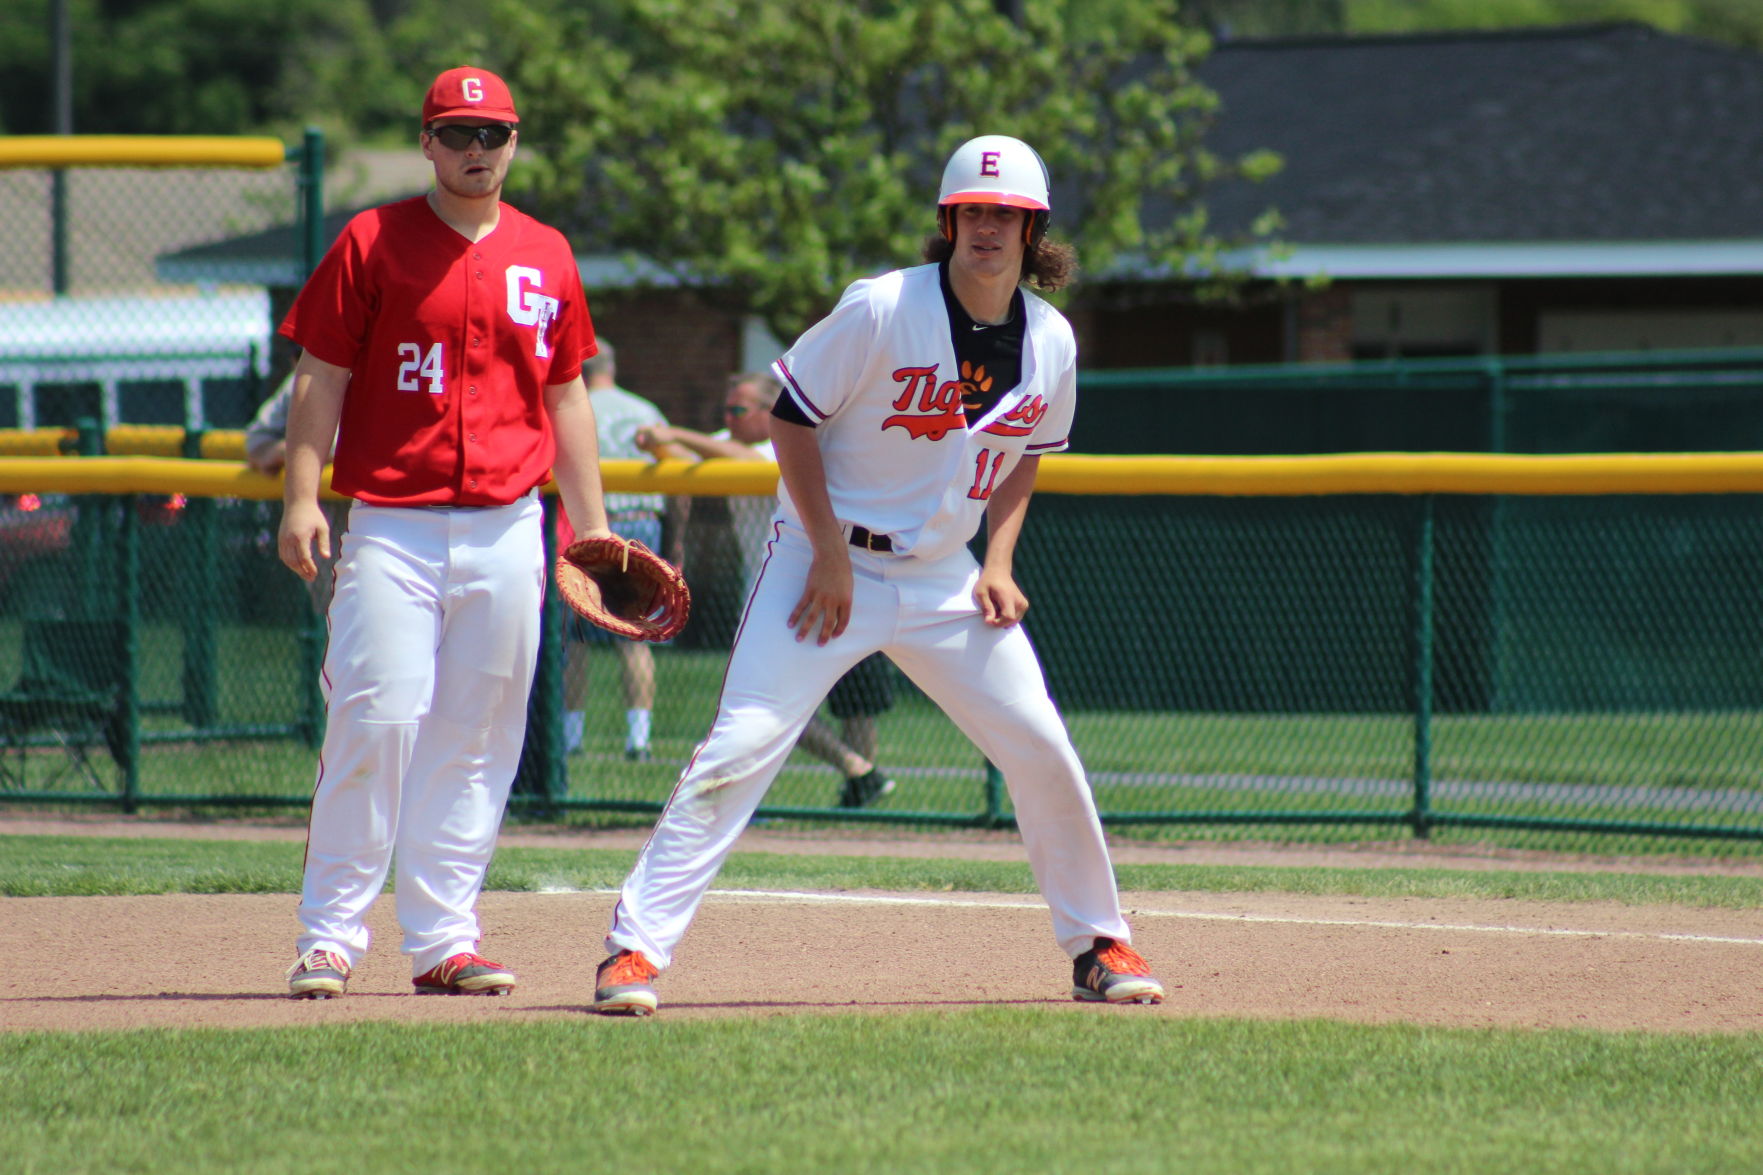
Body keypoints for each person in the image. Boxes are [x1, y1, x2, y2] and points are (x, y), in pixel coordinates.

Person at [591, 135, 1164, 1016]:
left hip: (943, 576)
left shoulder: (1050, 339)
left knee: (1039, 743)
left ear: (1031, 229)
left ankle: (1098, 942)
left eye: (1004, 214)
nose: (987, 227)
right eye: (972, 211)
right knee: (741, 744)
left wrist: (1000, 561)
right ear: (948, 221)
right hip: (821, 562)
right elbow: (789, 420)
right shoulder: (883, 306)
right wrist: (823, 551)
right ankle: (634, 951)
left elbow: (1024, 458)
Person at [275, 65, 613, 1000]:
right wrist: (302, 497)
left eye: (493, 134)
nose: (476, 150)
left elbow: (567, 393)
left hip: (510, 526)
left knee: (477, 737)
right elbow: (320, 374)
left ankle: (442, 940)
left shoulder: (546, 251)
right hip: (393, 526)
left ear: (514, 141)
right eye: (457, 133)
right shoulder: (371, 239)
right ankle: (330, 936)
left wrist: (590, 528)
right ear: (426, 141)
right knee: (375, 720)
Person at [637, 373, 896, 807]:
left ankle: (861, 783)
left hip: (830, 580)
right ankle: (861, 772)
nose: (728, 418)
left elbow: (741, 458)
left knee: (855, 699)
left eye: (739, 410)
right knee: (765, 698)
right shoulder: (726, 442)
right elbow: (697, 453)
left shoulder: (786, 444)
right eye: (726, 410)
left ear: (768, 412)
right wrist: (657, 443)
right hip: (775, 593)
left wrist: (675, 433)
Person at [559, 340, 687, 762]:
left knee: (575, 638)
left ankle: (571, 738)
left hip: (588, 527)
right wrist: (676, 541)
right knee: (634, 640)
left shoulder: (566, 402)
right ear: (614, 366)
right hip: (640, 522)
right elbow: (680, 473)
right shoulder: (644, 410)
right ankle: (639, 739)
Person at [245, 368, 346, 611]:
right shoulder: (307, 377)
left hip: (397, 518)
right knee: (339, 618)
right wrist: (292, 451)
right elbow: (257, 443)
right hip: (330, 521)